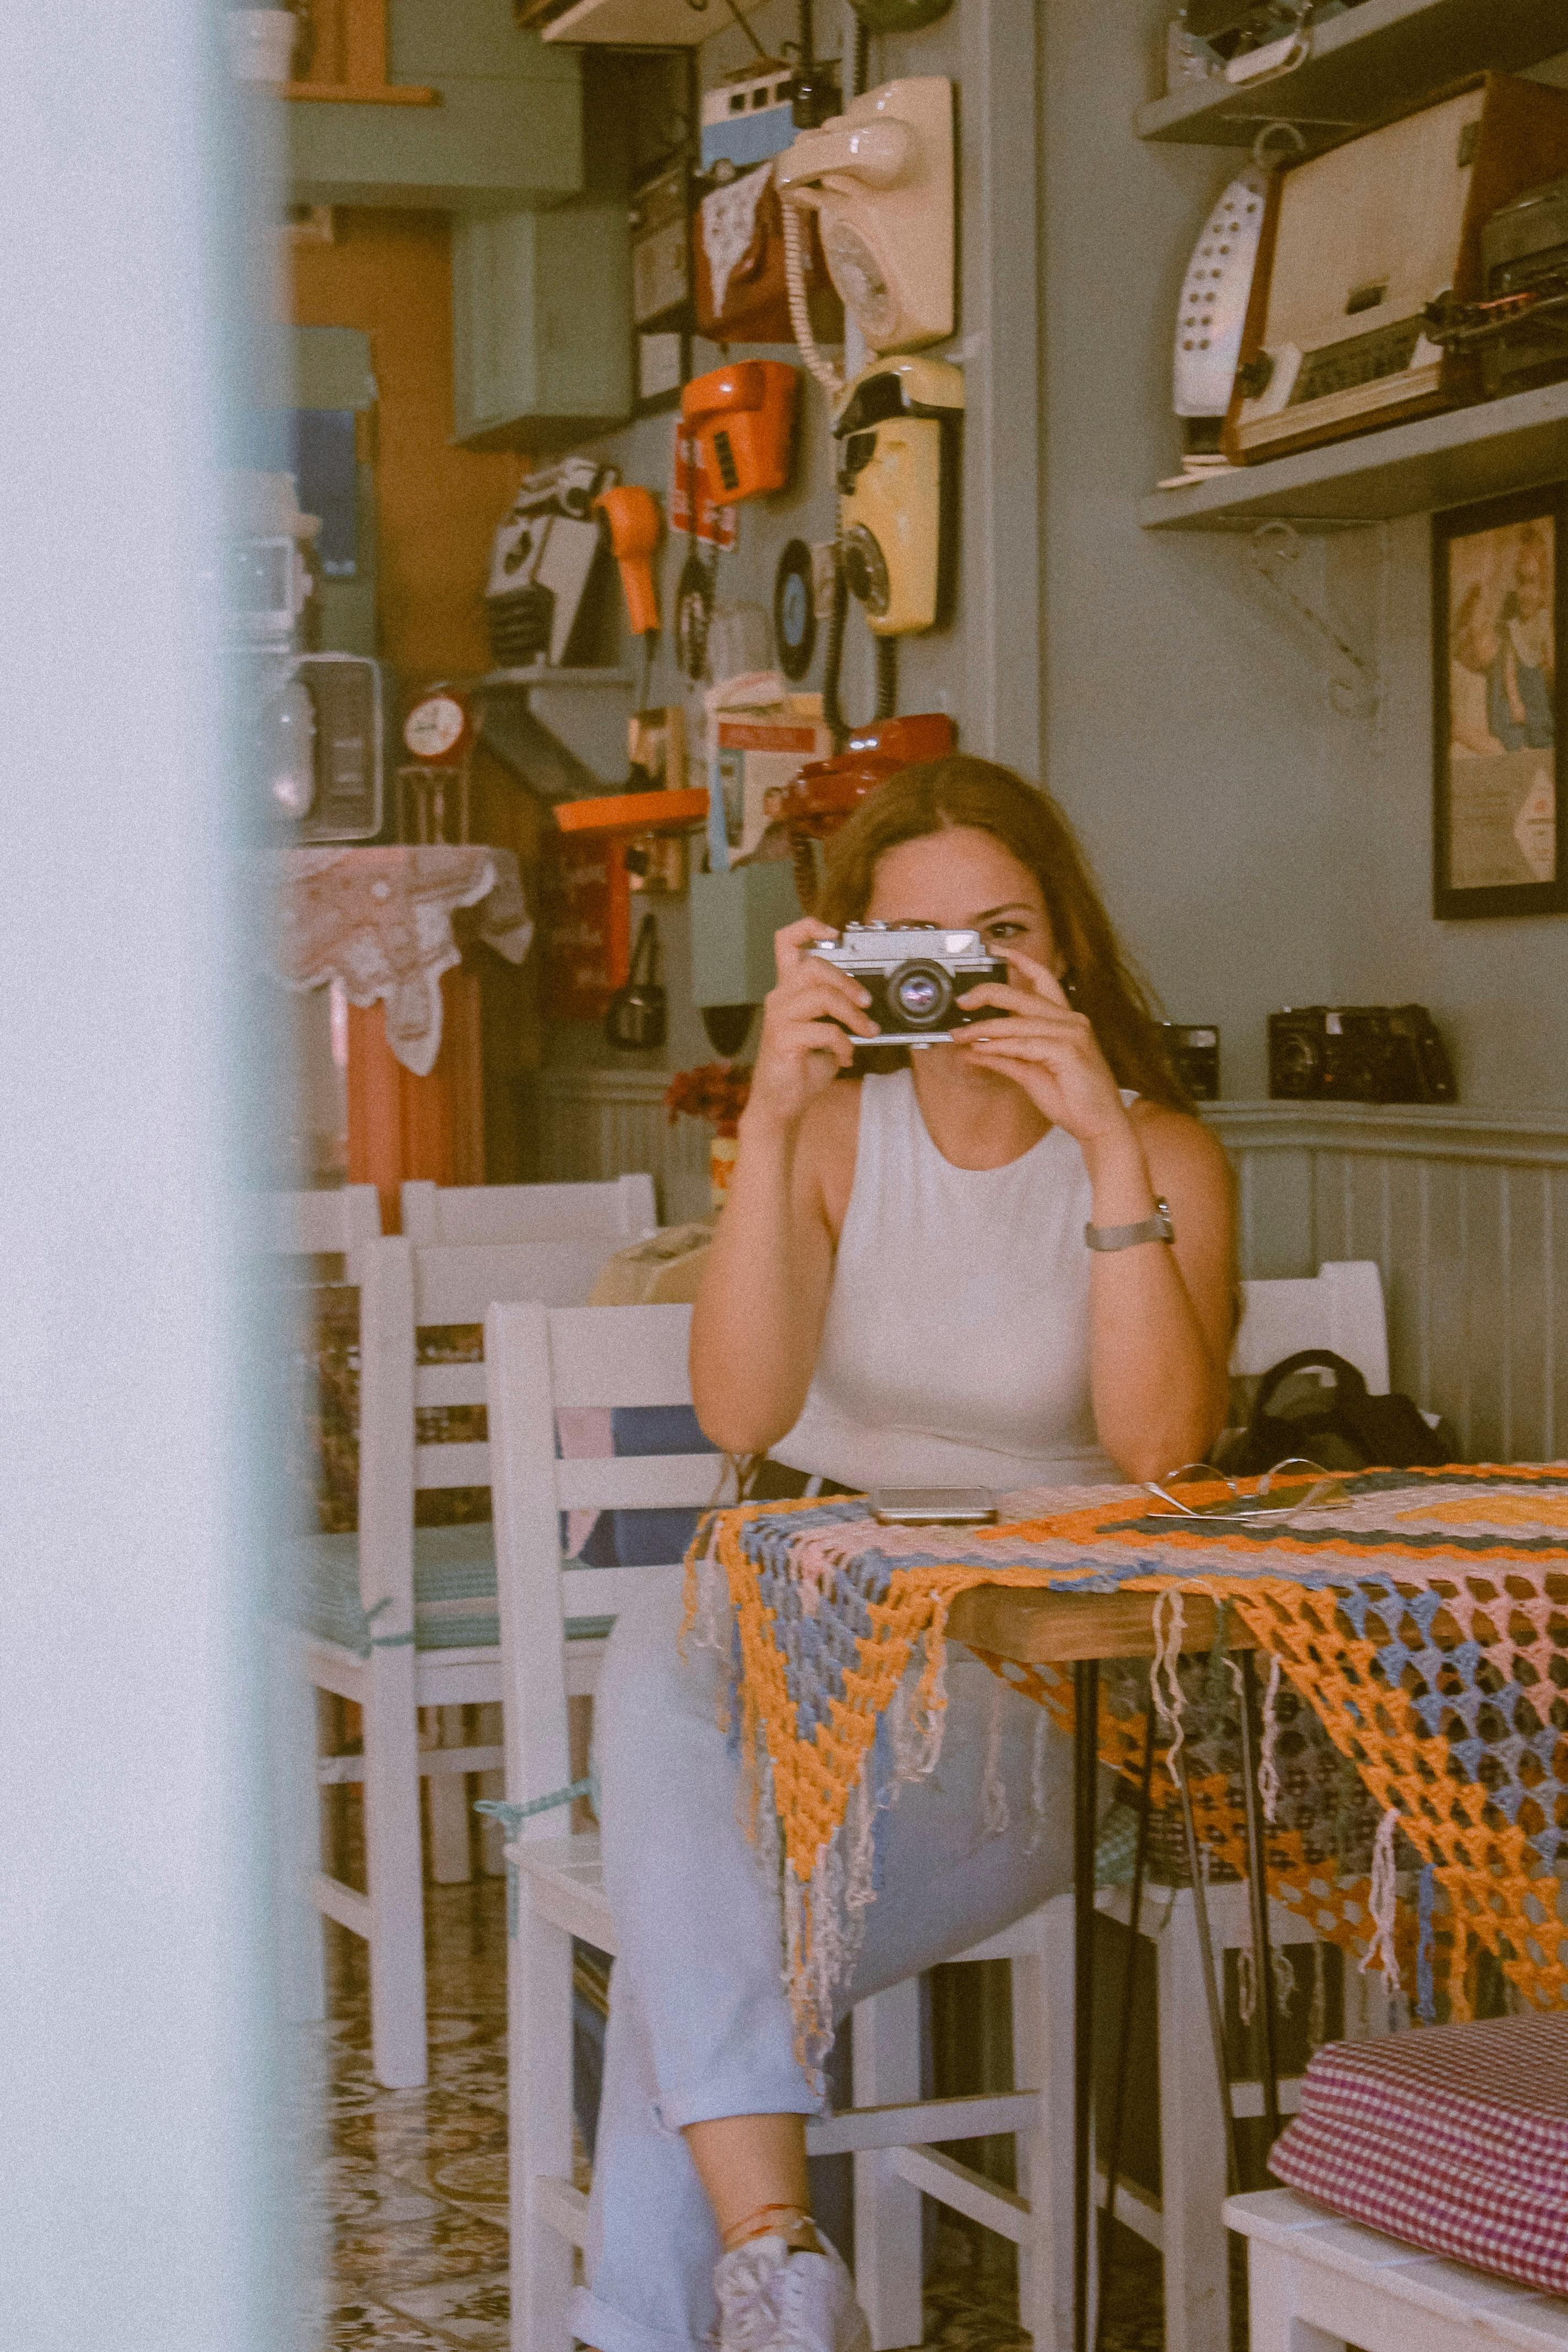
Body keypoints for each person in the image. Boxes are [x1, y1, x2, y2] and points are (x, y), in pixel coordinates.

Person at [578, 758, 1237, 2352]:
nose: (959, 977)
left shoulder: (1161, 1152)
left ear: (1062, 940)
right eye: (913, 943)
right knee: (660, 1651)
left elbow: (1163, 1458)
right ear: (848, 957)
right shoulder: (830, 1136)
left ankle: (736, 2288)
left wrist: (1103, 1147)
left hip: (1024, 1661)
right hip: (803, 1615)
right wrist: (775, 1108)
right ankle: (779, 2265)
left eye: (999, 933)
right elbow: (741, 1406)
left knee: (698, 1949)